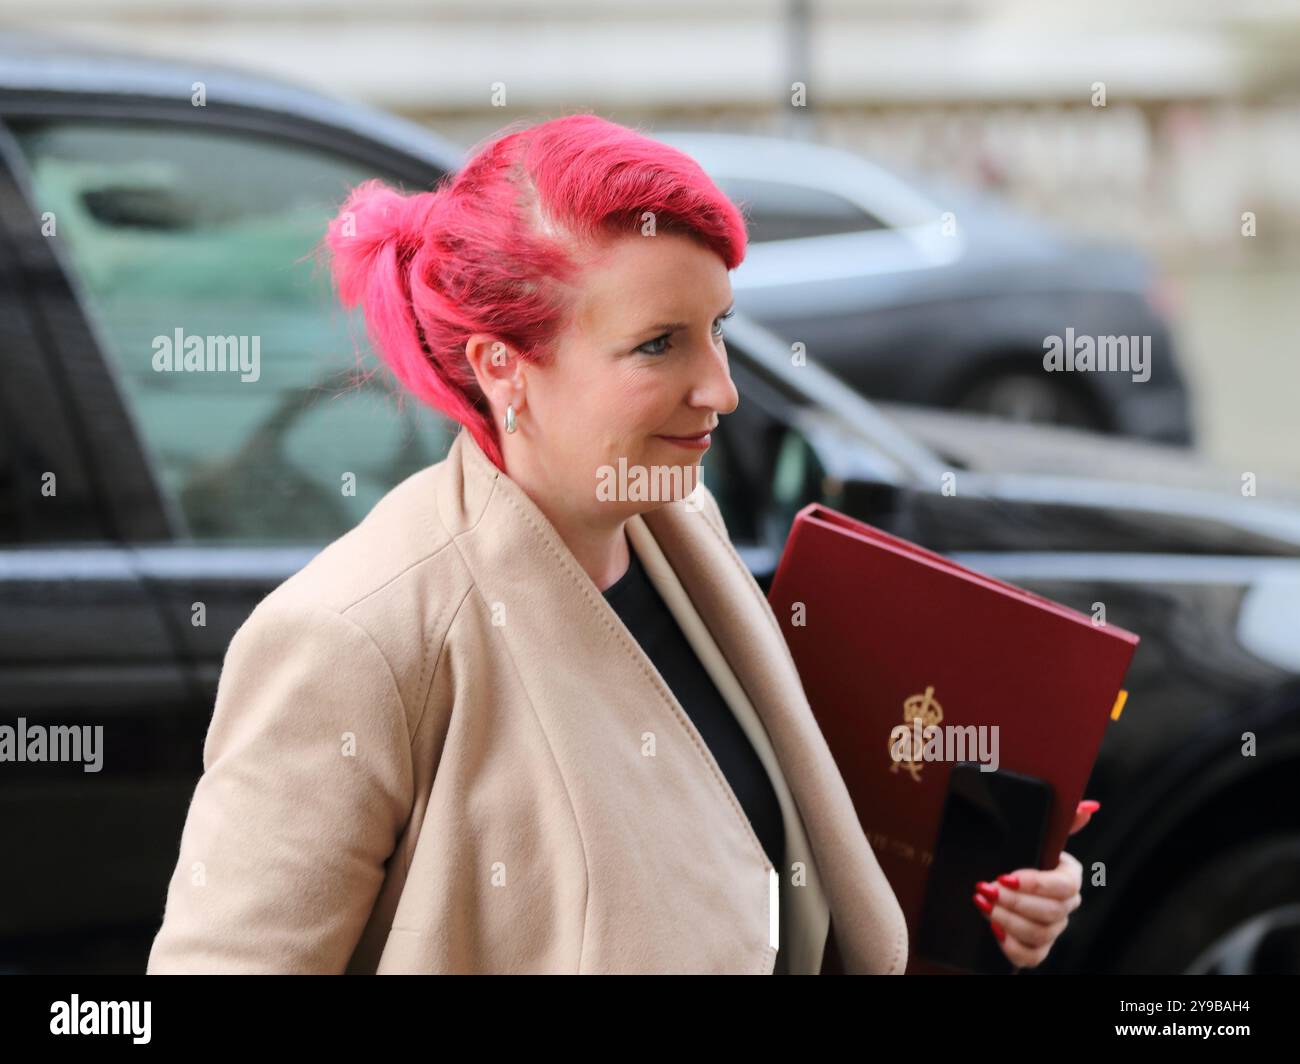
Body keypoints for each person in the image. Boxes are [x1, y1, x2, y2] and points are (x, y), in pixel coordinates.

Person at [146, 113, 1089, 975]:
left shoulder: (681, 528)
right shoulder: (353, 636)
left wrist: (983, 904)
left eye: (717, 329)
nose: (721, 389)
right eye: (658, 344)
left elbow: (767, 878)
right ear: (502, 368)